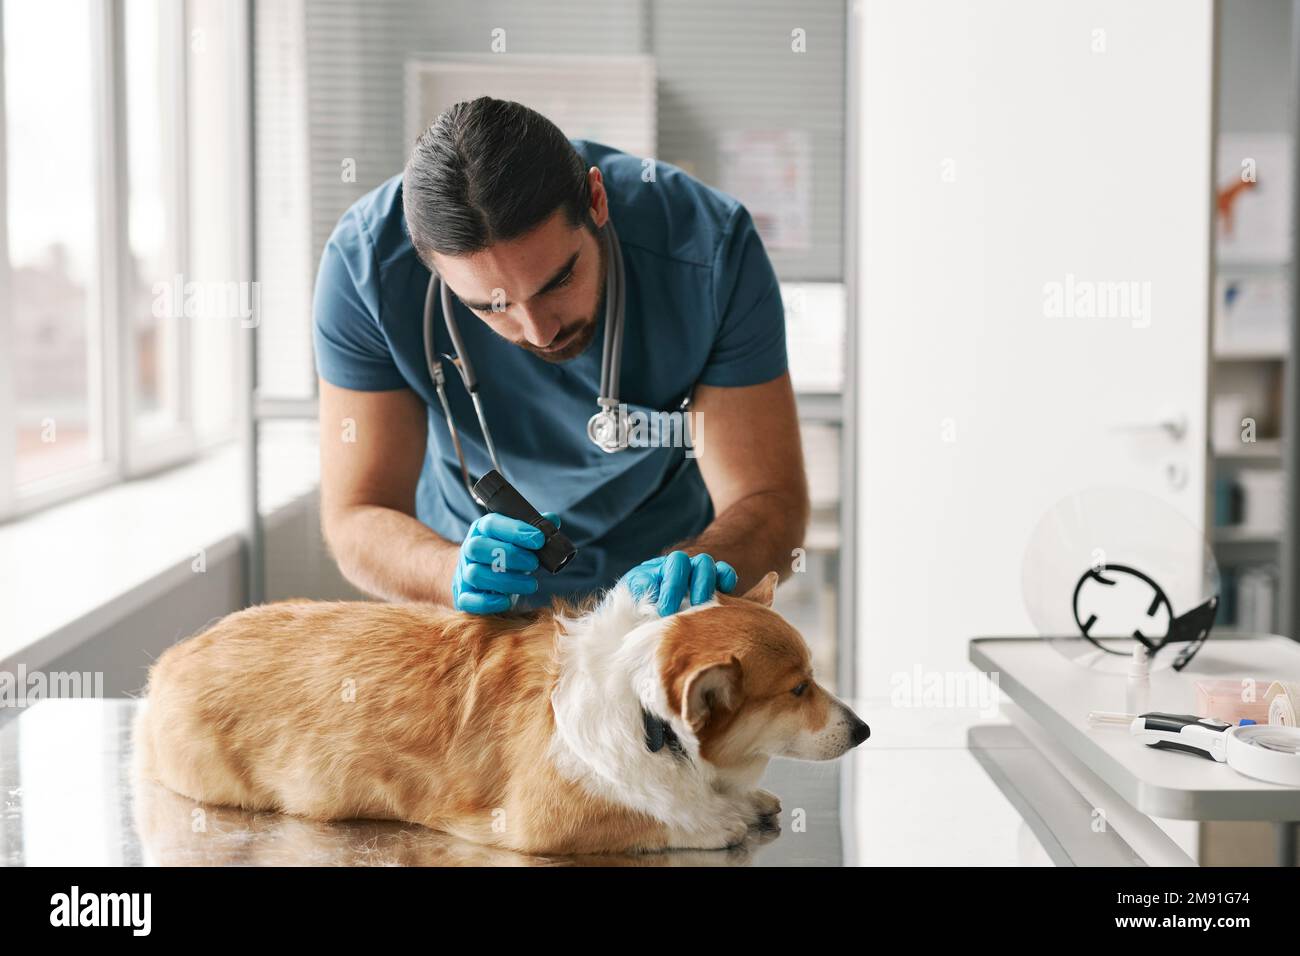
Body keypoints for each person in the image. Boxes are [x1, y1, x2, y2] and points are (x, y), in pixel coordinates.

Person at [313, 97, 808, 616]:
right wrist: (447, 571)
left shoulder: (709, 249)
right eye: (490, 307)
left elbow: (769, 497)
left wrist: (702, 565)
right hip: (469, 590)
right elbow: (357, 513)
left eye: (559, 280)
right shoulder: (364, 268)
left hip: (660, 593)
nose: (540, 331)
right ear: (425, 261)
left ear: (596, 200)